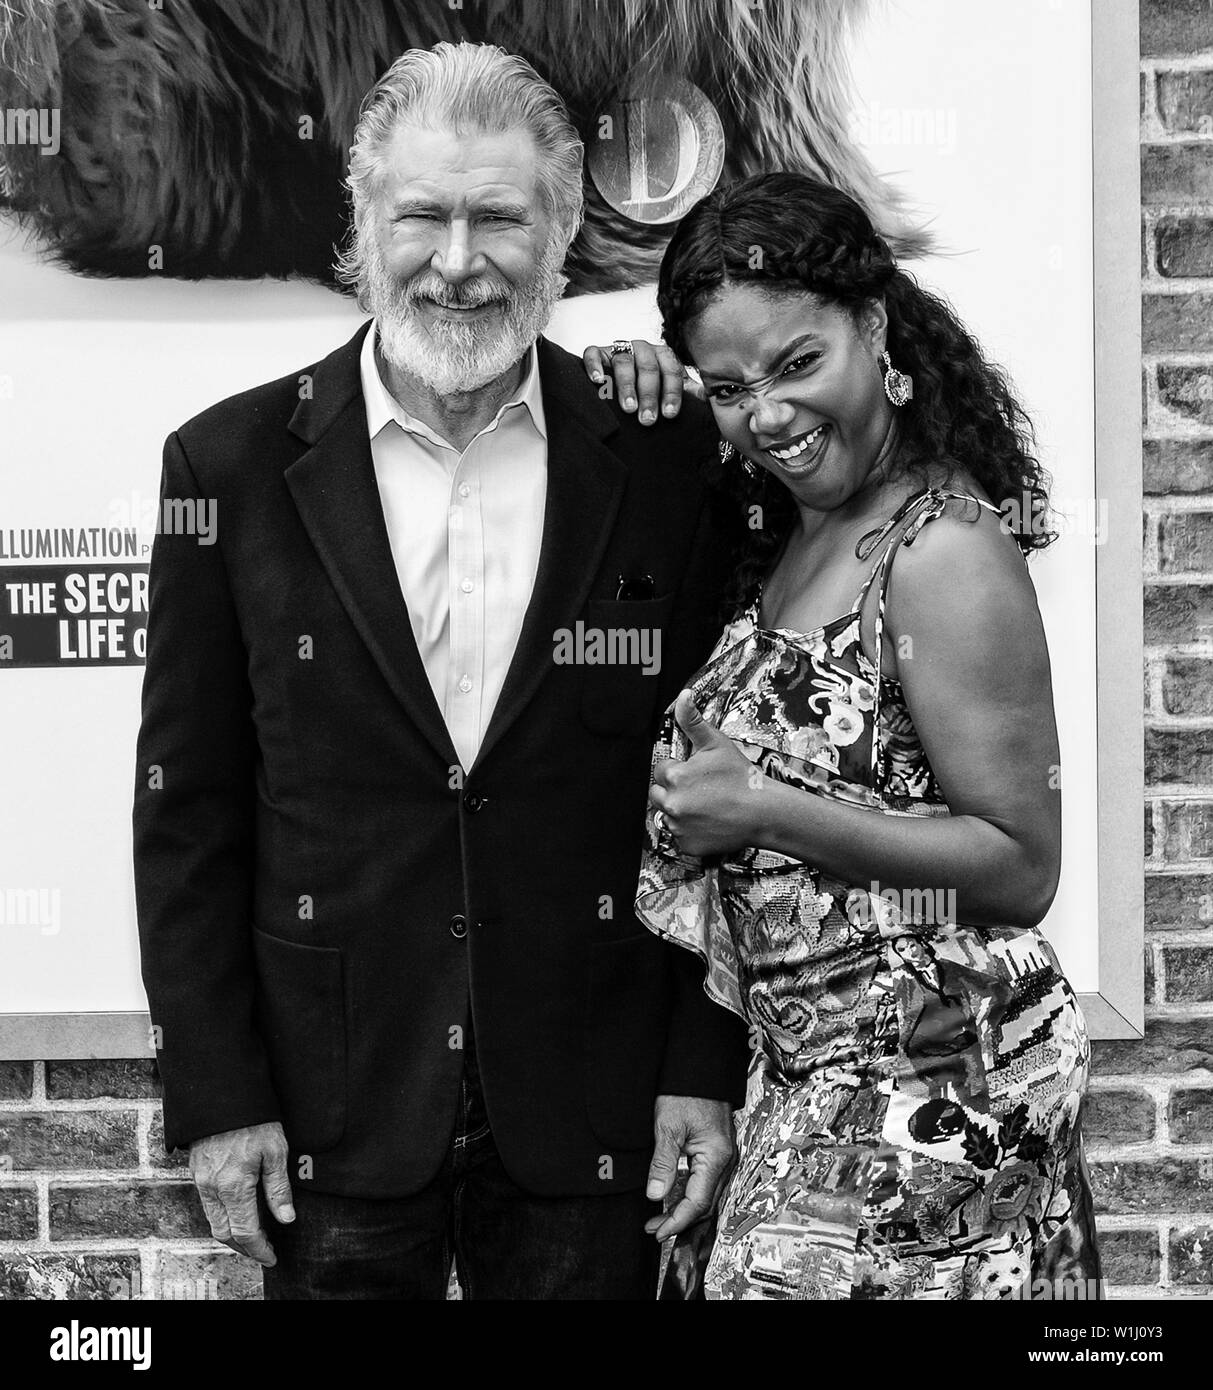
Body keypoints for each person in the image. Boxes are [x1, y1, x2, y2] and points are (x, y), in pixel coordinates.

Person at [132, 41, 749, 1302]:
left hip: (597, 1101)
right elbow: (184, 807)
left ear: (566, 233)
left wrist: (702, 1064)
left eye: (499, 217)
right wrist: (218, 1094)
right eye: (421, 215)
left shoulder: (665, 458)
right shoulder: (227, 468)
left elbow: (717, 808)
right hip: (330, 1110)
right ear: (361, 227)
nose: (458, 260)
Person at [606, 171, 1102, 1300]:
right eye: (729, 389)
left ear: (873, 327)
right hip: (812, 1070)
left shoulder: (942, 549)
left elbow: (1021, 864)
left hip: (938, 1073)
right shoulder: (797, 533)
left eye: (796, 365)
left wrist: (768, 809)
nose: (769, 416)